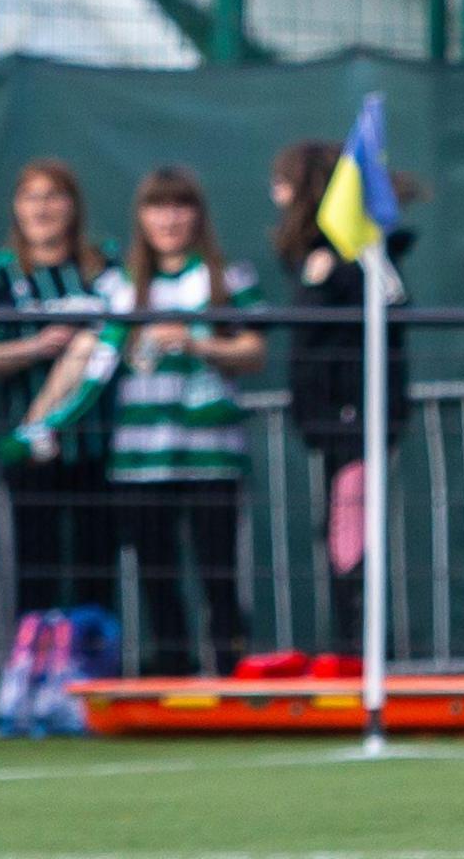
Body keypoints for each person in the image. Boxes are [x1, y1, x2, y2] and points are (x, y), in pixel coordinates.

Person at [78, 166, 265, 677]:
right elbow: (90, 358)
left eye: (180, 206)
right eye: (158, 207)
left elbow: (254, 348)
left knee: (218, 571)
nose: (169, 218)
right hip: (139, 455)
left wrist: (195, 342)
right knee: (156, 573)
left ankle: (231, 669)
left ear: (197, 215)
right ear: (142, 216)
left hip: (212, 452)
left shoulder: (228, 277)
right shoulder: (118, 287)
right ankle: (172, 671)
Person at [272, 140, 413, 657]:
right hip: (330, 418)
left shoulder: (354, 255)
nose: (276, 193)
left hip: (356, 415)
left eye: (284, 181)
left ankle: (358, 646)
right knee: (341, 521)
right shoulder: (314, 258)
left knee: (351, 523)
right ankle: (352, 642)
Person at [0, 159, 121, 619]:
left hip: (97, 448)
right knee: (36, 568)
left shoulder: (103, 265)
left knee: (97, 569)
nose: (43, 207)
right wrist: (36, 346)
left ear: (73, 205)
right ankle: (38, 678)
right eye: (31, 196)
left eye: (53, 195)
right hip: (30, 451)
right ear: (16, 207)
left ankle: (93, 677)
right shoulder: (3, 273)